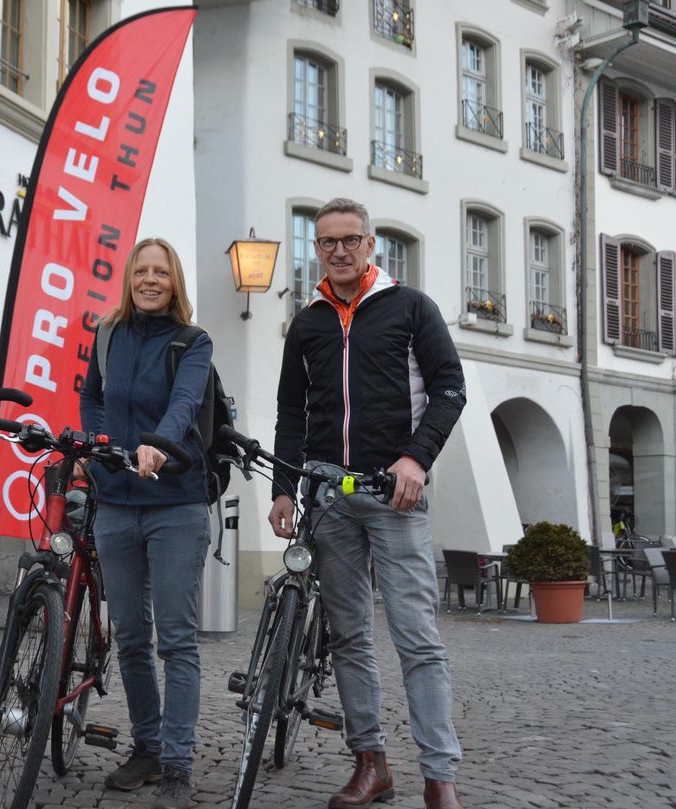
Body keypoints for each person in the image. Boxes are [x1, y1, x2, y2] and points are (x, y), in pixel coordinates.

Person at [267, 198, 467, 809]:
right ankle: (370, 763)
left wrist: (416, 458)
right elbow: (290, 412)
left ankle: (440, 778)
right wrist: (282, 486)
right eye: (327, 242)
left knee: (417, 639)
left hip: (394, 496)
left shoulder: (411, 307)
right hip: (329, 499)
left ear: (371, 244)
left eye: (350, 239)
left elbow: (449, 389)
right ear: (317, 249)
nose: (340, 250)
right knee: (349, 637)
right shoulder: (307, 322)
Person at [79, 237, 212, 809]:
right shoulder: (108, 335)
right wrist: (96, 445)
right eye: (142, 271)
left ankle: (179, 765)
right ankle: (148, 748)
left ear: (174, 281)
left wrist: (160, 442)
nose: (151, 280)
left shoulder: (193, 341)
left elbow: (185, 401)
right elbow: (92, 398)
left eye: (161, 272)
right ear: (130, 278)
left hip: (177, 502)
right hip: (116, 501)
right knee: (130, 635)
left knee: (177, 640)